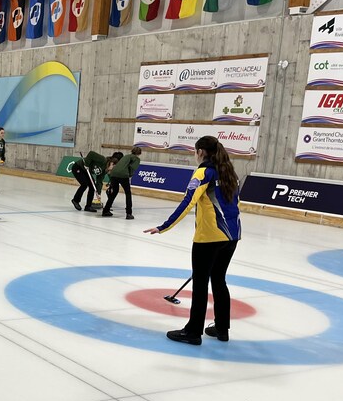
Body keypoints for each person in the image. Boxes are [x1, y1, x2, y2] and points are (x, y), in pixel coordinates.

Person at [144, 135, 241, 346]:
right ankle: (222, 328)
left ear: (200, 152)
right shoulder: (230, 173)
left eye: (195, 152)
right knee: (219, 280)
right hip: (232, 236)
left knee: (200, 283)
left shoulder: (203, 172)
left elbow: (188, 201)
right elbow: (235, 204)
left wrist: (164, 226)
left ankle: (193, 331)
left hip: (209, 237)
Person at [103, 146, 142, 220]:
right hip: (123, 175)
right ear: (139, 153)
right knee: (128, 193)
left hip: (114, 173)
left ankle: (106, 210)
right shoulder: (136, 159)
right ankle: (129, 213)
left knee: (114, 192)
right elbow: (132, 168)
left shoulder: (126, 156)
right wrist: (129, 175)